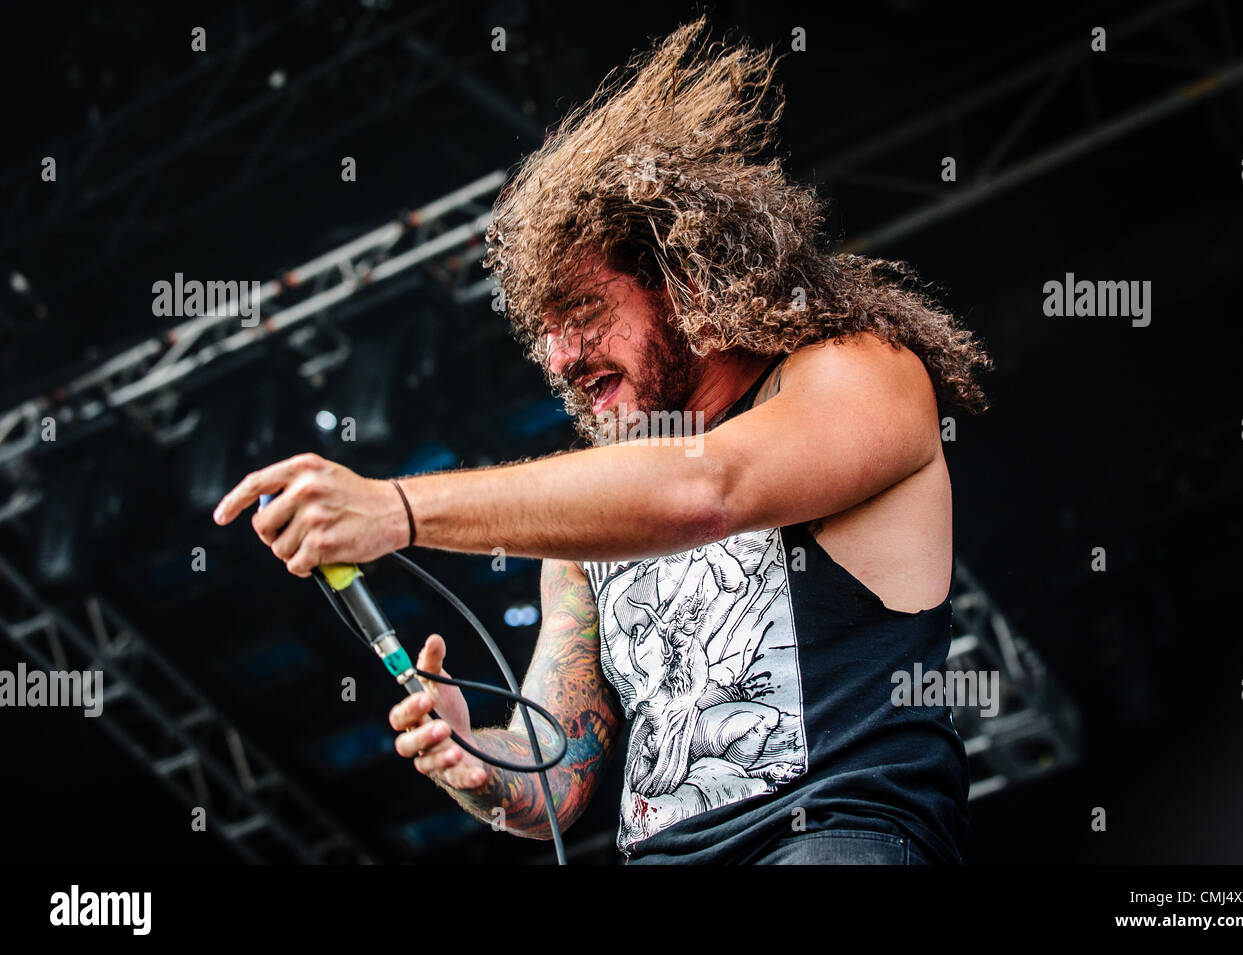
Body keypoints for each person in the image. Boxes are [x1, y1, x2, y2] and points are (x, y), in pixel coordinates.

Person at [212, 16, 991, 864]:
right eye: (544, 332)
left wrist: (395, 506)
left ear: (688, 281)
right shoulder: (596, 528)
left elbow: (710, 490)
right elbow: (557, 777)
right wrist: (473, 756)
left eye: (584, 312)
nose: (560, 357)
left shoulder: (859, 373)